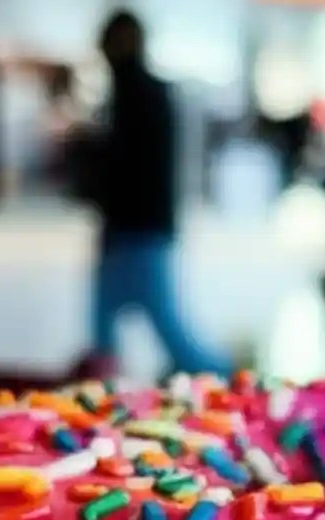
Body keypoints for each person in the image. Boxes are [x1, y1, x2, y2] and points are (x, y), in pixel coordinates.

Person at [80, 10, 231, 378]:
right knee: (112, 317)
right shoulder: (142, 91)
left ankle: (219, 376)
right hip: (142, 226)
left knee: (163, 322)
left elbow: (130, 167)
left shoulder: (135, 94)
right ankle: (103, 383)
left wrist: (91, 158)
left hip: (137, 228)